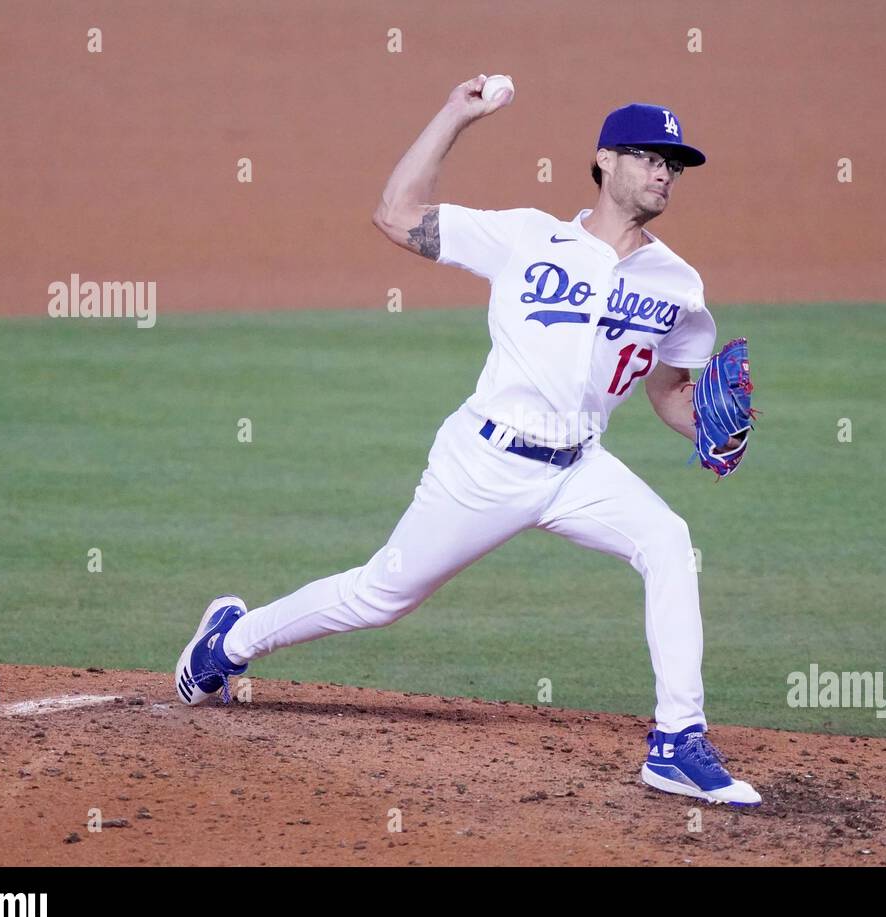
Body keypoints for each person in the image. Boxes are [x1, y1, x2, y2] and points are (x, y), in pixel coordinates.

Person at [175, 75, 761, 806]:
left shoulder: (678, 284)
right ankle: (228, 643)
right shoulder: (525, 236)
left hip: (581, 468)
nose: (663, 172)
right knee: (382, 595)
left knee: (668, 541)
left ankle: (677, 742)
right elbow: (397, 215)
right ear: (605, 160)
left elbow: (670, 392)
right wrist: (456, 115)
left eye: (673, 164)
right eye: (649, 156)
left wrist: (716, 431)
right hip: (485, 463)